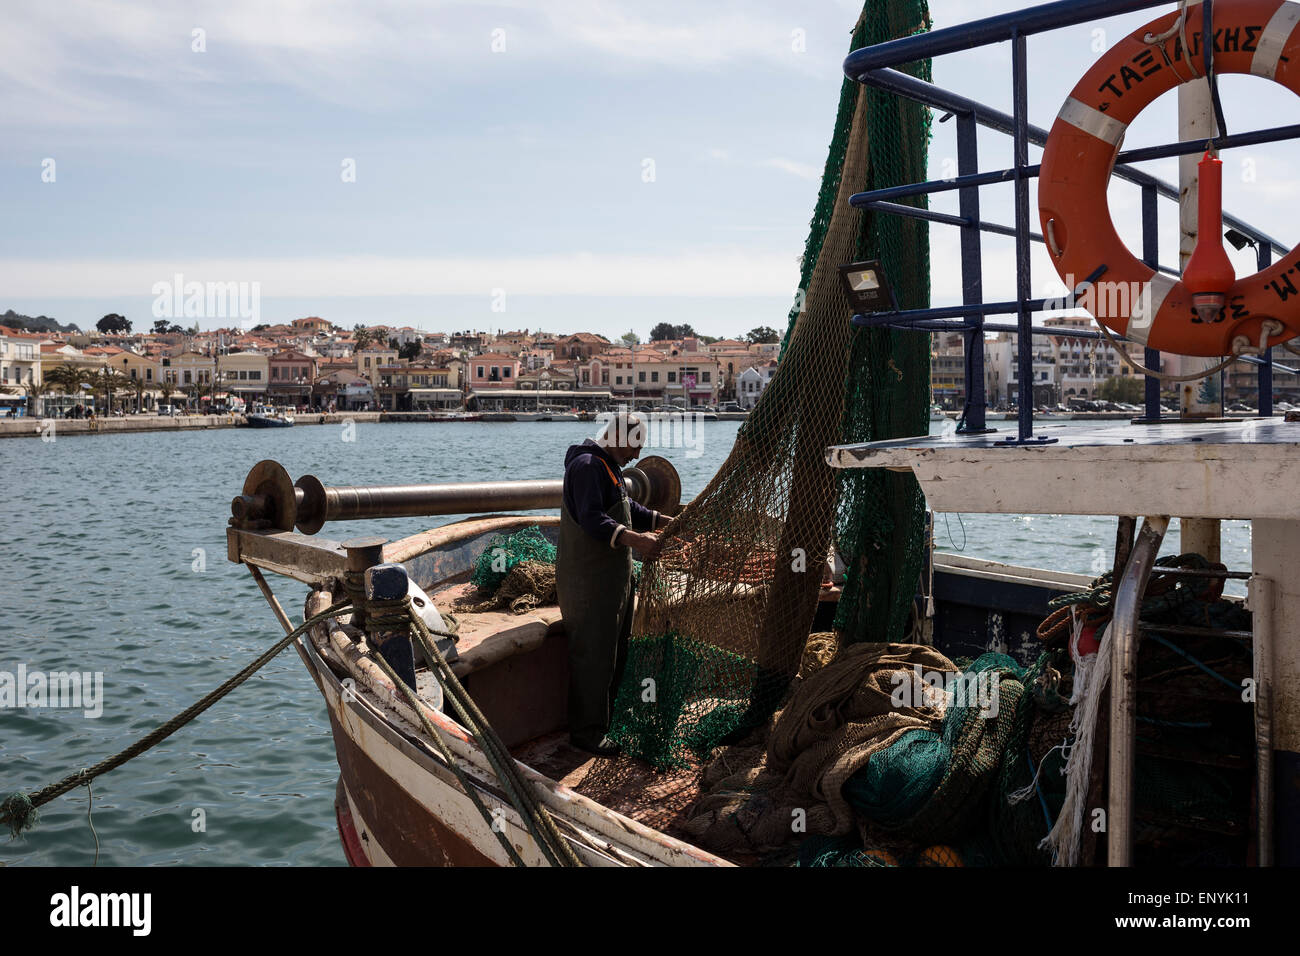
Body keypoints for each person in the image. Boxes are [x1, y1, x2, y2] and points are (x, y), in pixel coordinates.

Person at [558, 412, 670, 757]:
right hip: (590, 584)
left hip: (612, 582)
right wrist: (638, 541)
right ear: (620, 436)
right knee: (593, 657)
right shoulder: (588, 466)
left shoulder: (607, 466)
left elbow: (624, 506)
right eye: (635, 446)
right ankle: (587, 734)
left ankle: (606, 723)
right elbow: (593, 518)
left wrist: (661, 521)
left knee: (613, 653)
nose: (637, 456)